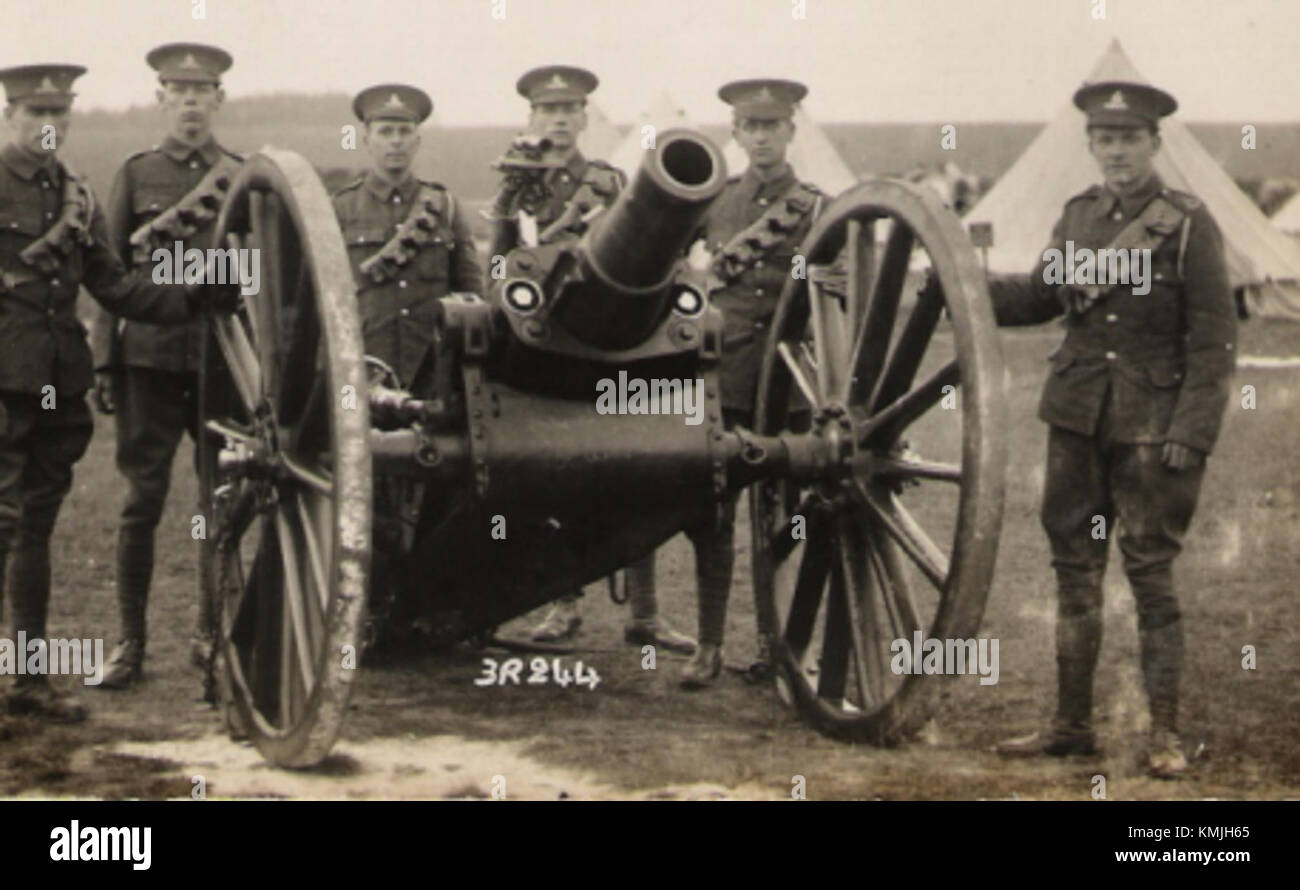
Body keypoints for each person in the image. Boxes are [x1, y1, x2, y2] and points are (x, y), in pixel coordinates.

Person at [987, 80, 1236, 778]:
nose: (1117, 151)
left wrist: (1193, 429)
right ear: (1091, 145)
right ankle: (1070, 726)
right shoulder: (1078, 218)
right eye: (1106, 139)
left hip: (1153, 429)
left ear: (1155, 144)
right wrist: (963, 282)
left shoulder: (1188, 223)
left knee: (1152, 575)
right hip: (1075, 419)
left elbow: (1214, 341)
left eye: (1130, 139)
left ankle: (1165, 735)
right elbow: (1040, 295)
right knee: (1074, 572)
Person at [0, 63, 213, 722]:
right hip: (3, 382)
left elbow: (116, 287)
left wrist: (195, 297)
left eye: (59, 116)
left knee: (34, 525)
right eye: (36, 115)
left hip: (56, 386)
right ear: (10, 118)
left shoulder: (75, 196)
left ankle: (30, 681)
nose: (48, 127)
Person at [491, 65, 694, 655]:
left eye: (569, 110)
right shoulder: (513, 185)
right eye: (547, 111)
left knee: (642, 471)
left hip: (609, 346)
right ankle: (561, 604)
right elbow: (498, 271)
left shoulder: (608, 185)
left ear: (584, 119)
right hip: (542, 349)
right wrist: (507, 205)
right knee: (547, 481)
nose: (558, 119)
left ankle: (648, 614)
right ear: (531, 119)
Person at [629, 78, 824, 688]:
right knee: (714, 516)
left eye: (773, 126)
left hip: (788, 382)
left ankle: (782, 647)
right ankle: (710, 646)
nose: (762, 137)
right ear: (735, 134)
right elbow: (666, 270)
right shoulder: (719, 203)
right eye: (751, 127)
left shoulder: (819, 207)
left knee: (787, 523)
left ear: (792, 130)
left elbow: (838, 288)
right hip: (727, 380)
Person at [90, 42, 242, 692]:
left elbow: (256, 273)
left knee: (221, 502)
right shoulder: (135, 172)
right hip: (148, 362)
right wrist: (104, 360)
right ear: (161, 100)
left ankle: (211, 639)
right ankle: (130, 644)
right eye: (177, 92)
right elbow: (108, 273)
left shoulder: (242, 176)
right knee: (142, 502)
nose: (189, 103)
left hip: (221, 363)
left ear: (218, 100)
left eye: (201, 92)